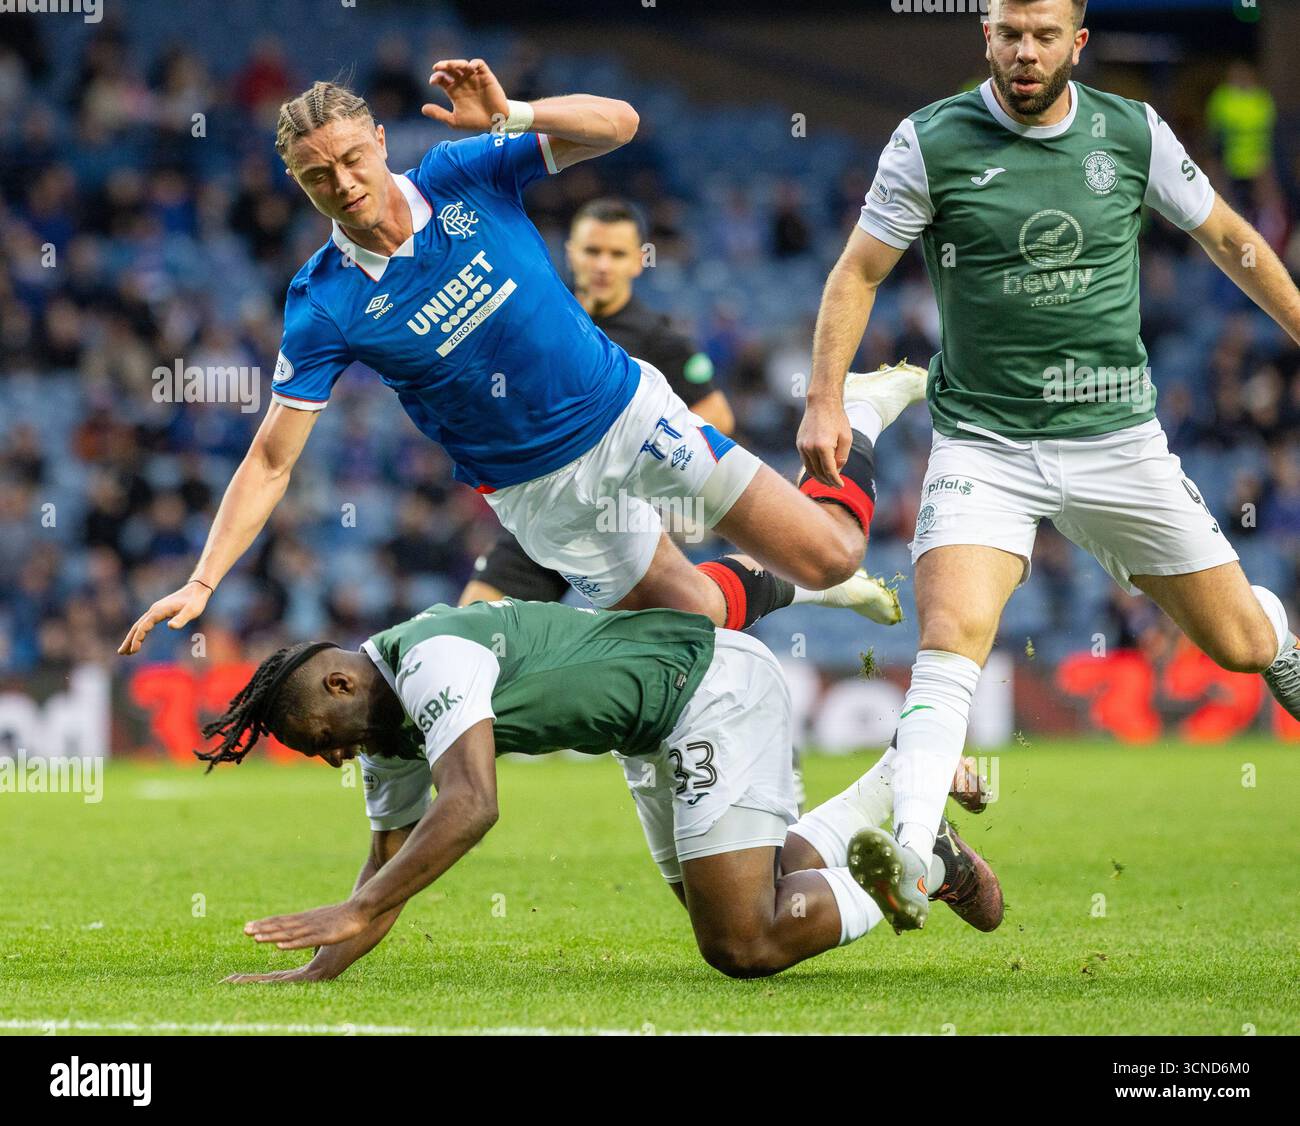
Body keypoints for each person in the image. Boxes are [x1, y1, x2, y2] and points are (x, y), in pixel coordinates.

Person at [118, 58, 924, 660]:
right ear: (298, 186)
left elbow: (621, 124)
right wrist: (203, 579)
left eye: (353, 157)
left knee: (833, 555)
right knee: (687, 617)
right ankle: (775, 583)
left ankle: (856, 412)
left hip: (628, 414)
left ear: (382, 141)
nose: (344, 182)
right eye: (316, 175)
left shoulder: (463, 171)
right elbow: (270, 460)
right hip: (541, 499)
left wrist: (515, 113)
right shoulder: (322, 301)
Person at [796, 0, 1300, 931]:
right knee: (950, 637)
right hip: (985, 441)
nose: (1024, 53)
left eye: (1042, 36)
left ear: (1077, 44)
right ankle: (914, 852)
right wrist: (825, 394)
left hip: (1119, 445)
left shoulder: (1131, 132)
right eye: (1007, 34)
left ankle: (1276, 631)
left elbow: (1229, 237)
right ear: (984, 37)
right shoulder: (931, 141)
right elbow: (859, 271)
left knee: (1239, 646)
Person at [200, 598, 1003, 983]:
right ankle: (891, 784)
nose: (335, 757)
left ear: (340, 682)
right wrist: (319, 972)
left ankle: (925, 866)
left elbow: (473, 805)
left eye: (322, 740)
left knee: (742, 943)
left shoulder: (429, 659)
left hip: (706, 689)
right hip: (649, 731)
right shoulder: (383, 726)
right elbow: (386, 865)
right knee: (747, 900)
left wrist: (360, 908)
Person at [459, 194, 902, 621]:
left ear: (638, 260)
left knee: (680, 617)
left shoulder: (659, 338)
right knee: (473, 627)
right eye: (592, 251)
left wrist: (636, 465)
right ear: (572, 253)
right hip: (547, 495)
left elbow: (717, 415)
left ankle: (807, 586)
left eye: (616, 253)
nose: (602, 264)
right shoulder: (551, 325)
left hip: (617, 502)